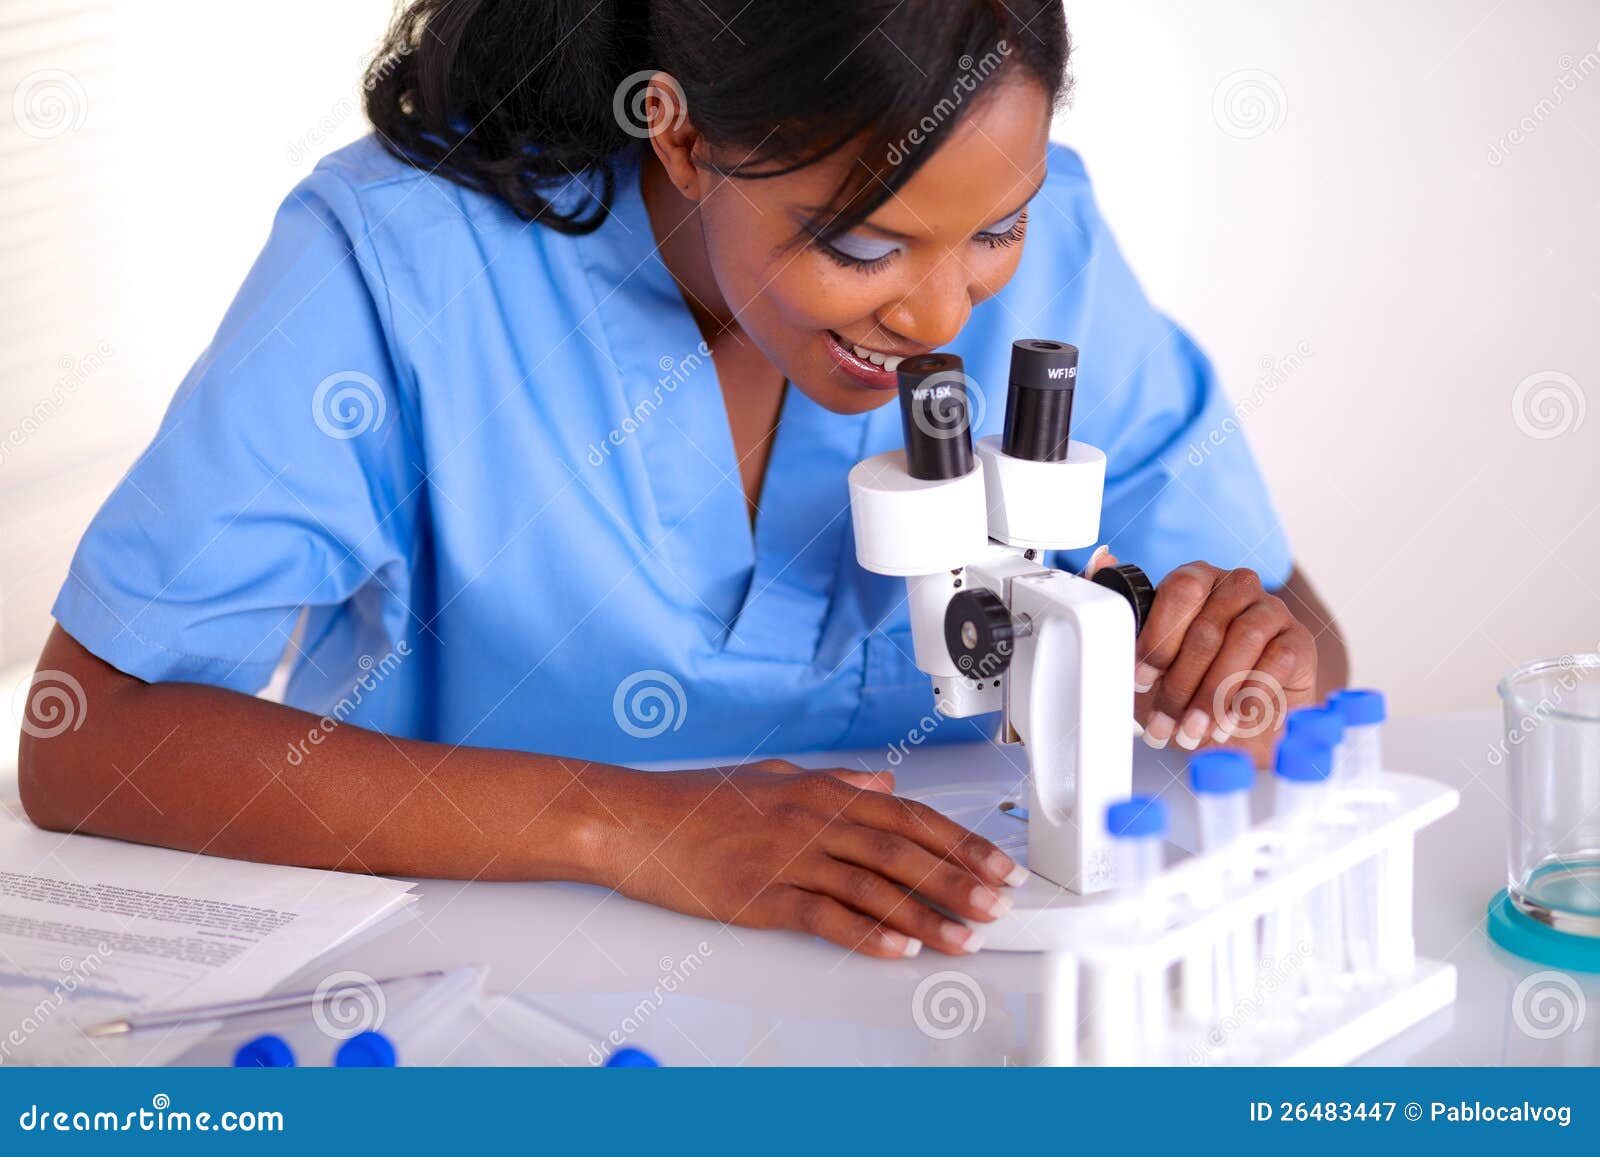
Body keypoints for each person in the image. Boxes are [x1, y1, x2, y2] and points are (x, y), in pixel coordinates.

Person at [19, 0, 1346, 959]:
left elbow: (1302, 639)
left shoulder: (1042, 233)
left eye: (994, 230)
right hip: (494, 995)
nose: (940, 309)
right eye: (866, 243)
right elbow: (89, 741)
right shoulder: (403, 262)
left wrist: (1252, 653)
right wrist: (625, 825)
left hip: (947, 977)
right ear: (686, 142)